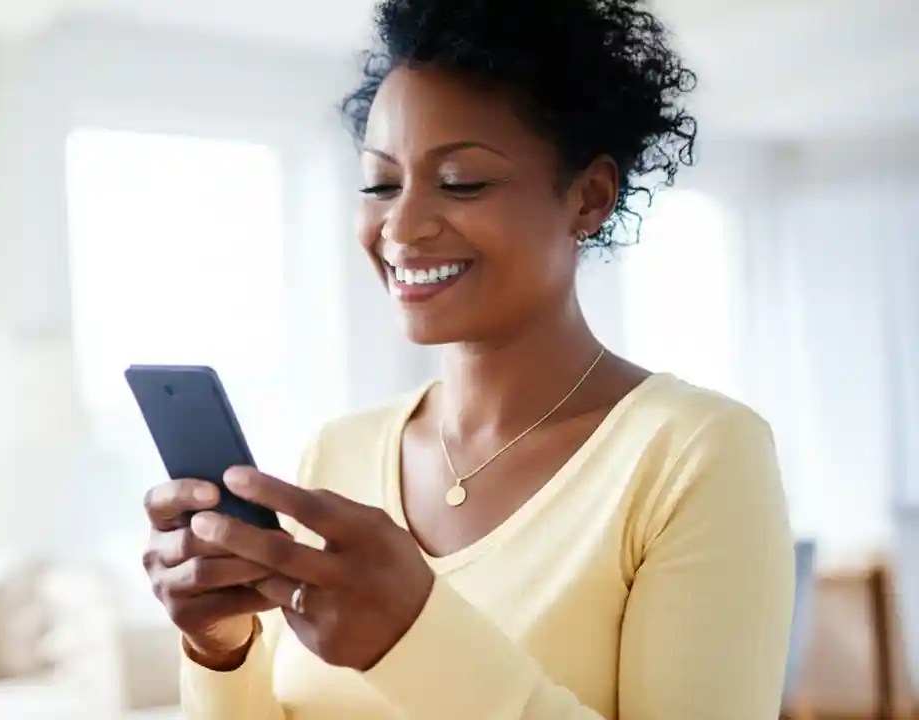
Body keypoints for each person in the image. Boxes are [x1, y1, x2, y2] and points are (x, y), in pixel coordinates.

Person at [141, 0, 794, 717]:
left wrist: (413, 640)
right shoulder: (338, 453)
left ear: (590, 196)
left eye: (461, 183)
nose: (401, 225)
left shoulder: (694, 453)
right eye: (381, 183)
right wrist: (219, 645)